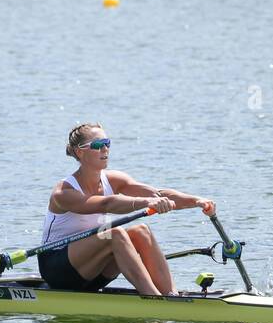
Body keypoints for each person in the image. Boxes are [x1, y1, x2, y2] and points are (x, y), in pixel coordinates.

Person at [38, 123, 216, 295]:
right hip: (56, 269)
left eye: (107, 143)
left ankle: (170, 295)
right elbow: (105, 204)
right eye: (98, 145)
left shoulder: (114, 179)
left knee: (141, 231)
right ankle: (154, 299)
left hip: (93, 271)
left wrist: (197, 201)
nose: (105, 149)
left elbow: (157, 193)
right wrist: (146, 203)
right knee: (115, 234)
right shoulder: (63, 192)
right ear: (79, 152)